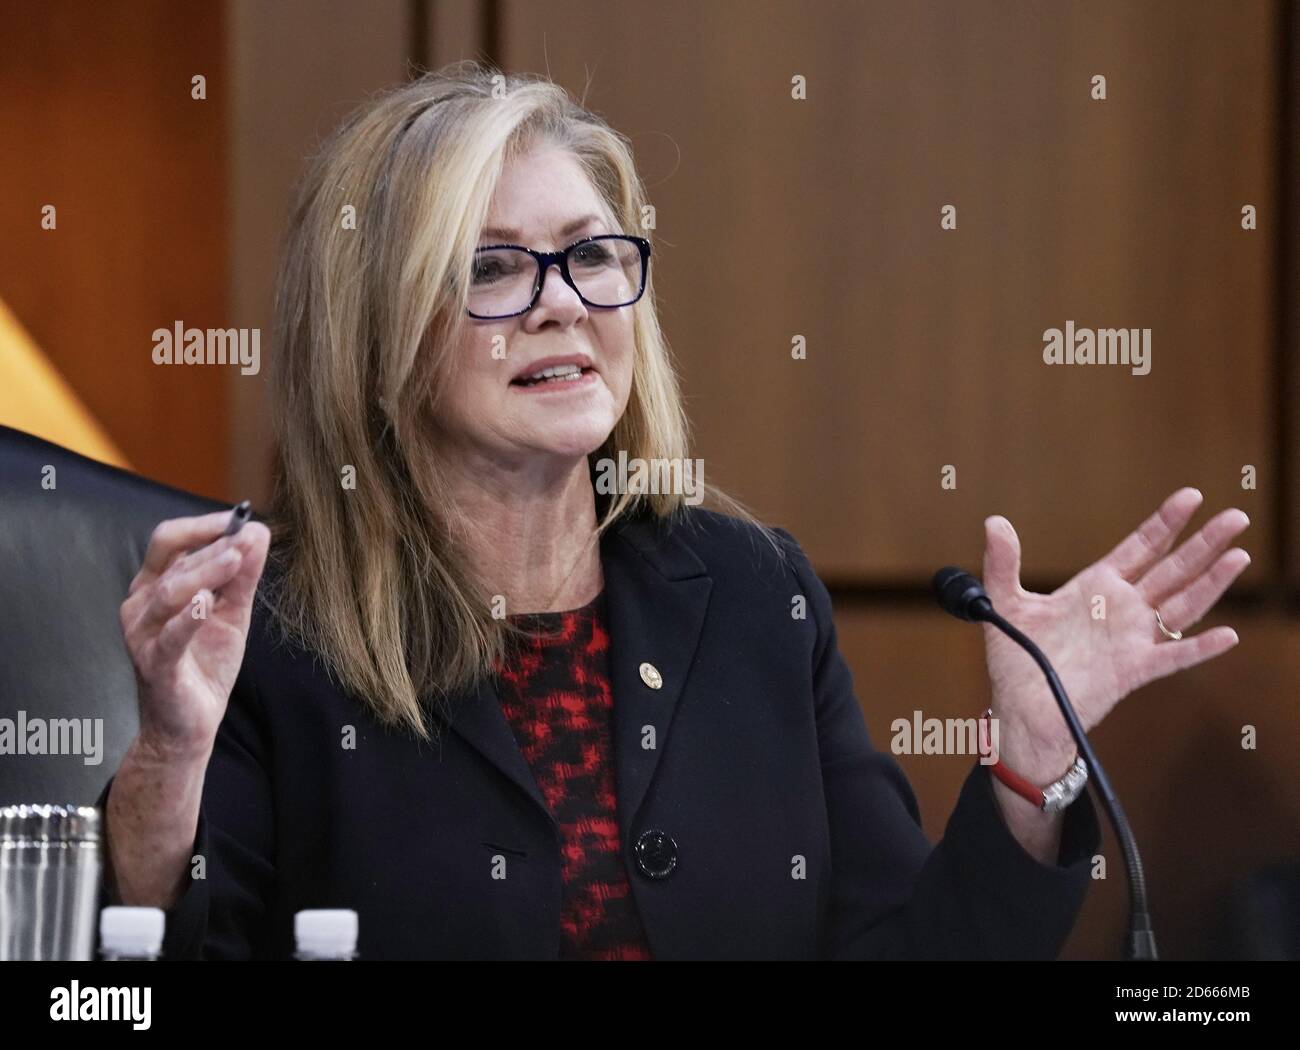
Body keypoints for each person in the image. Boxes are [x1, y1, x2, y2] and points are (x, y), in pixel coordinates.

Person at [98, 61, 1251, 960]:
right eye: (491, 268)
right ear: (375, 332)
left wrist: (1028, 768)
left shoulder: (755, 597)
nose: (562, 305)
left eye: (591, 253)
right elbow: (137, 981)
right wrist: (169, 760)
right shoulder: (278, 638)